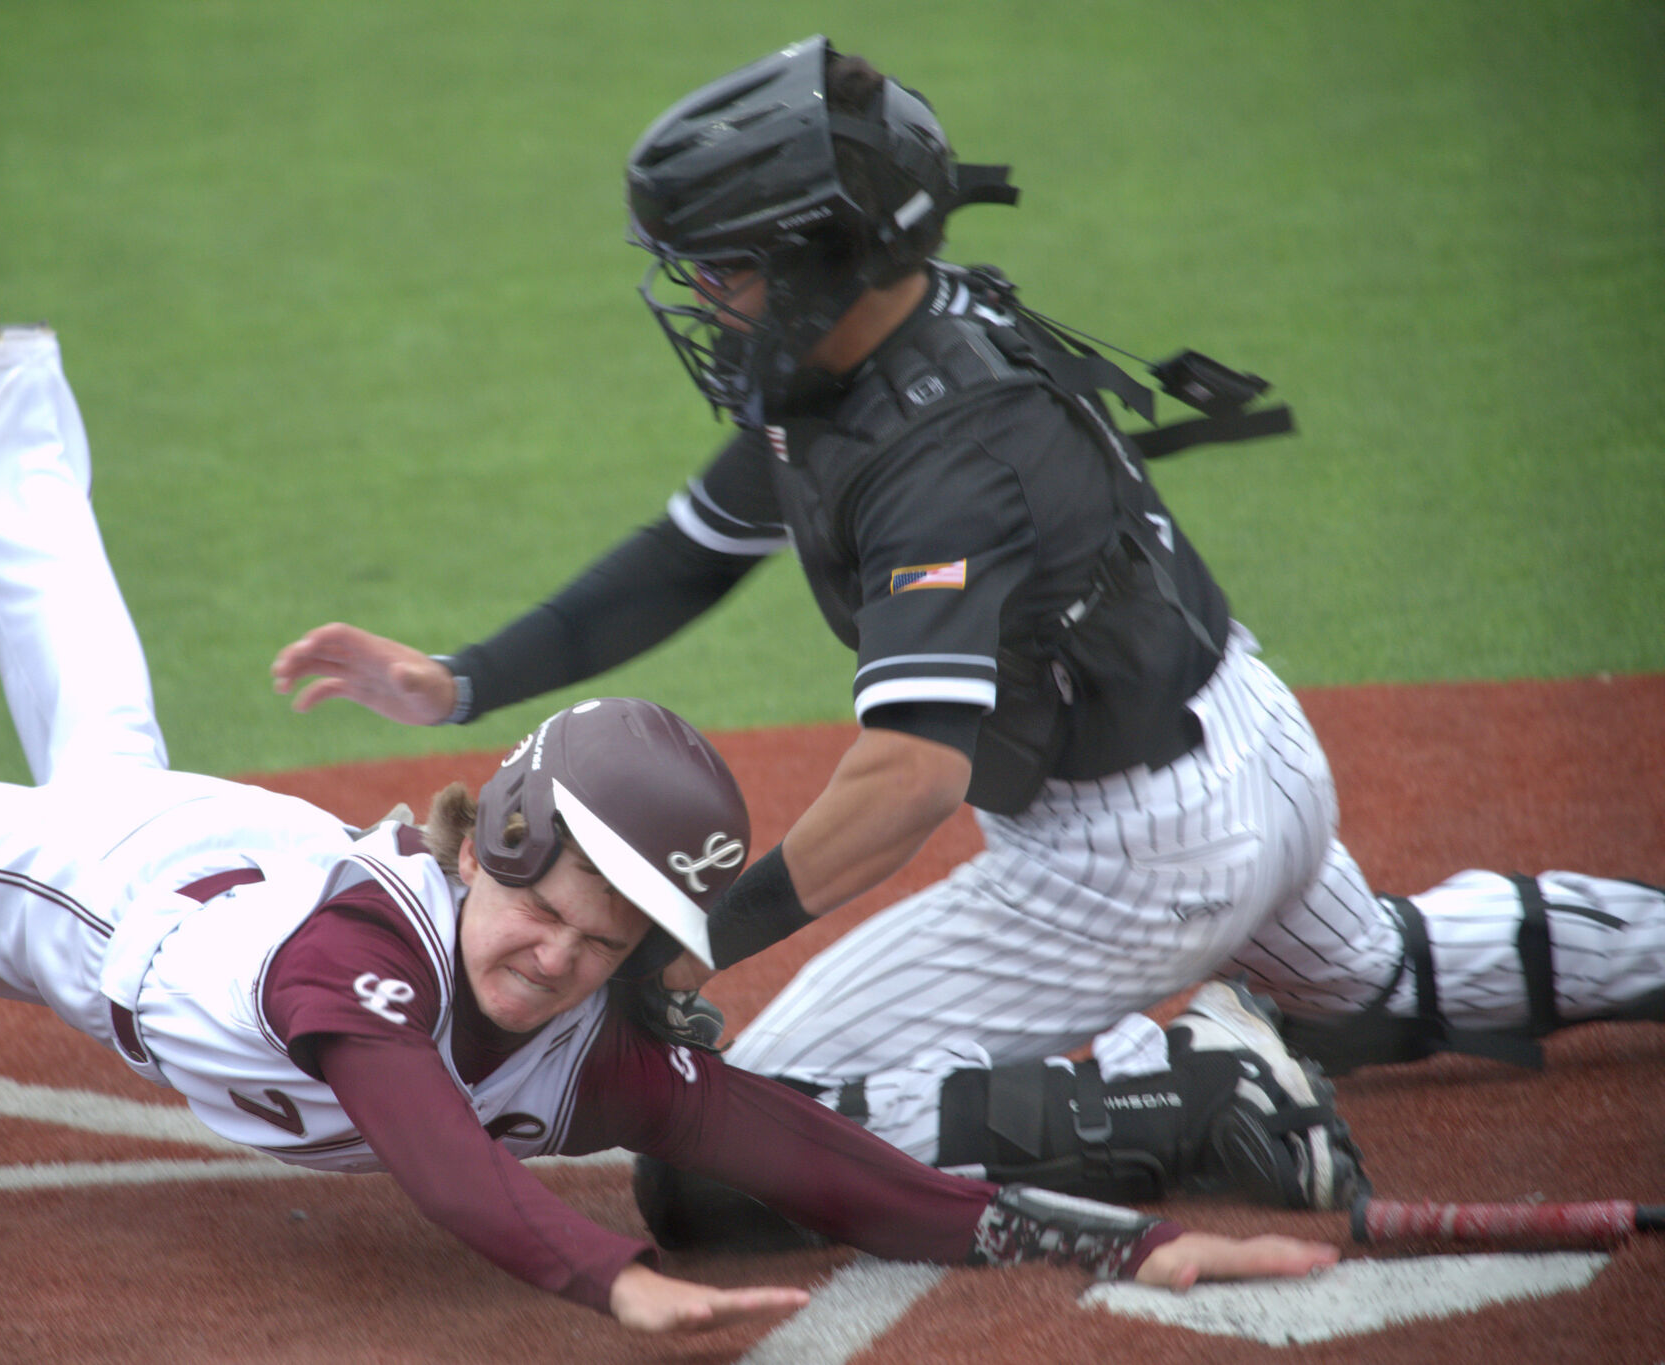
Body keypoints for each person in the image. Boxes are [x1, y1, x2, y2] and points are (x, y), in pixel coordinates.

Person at [271, 36, 1665, 1241]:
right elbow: (695, 551)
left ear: (825, 257)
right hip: (1246, 749)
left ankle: (1193, 1087)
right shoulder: (869, 348)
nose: (708, 294)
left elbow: (909, 778)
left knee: (728, 1155)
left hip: (1134, 852)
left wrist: (689, 945)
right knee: (1377, 981)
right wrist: (462, 677)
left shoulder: (944, 456)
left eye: (731, 267)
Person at [0, 320, 1338, 1334]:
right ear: (492, 841)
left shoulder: (587, 1030)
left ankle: (20, 410)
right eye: (553, 905)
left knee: (108, 750)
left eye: (611, 940)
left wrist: (1146, 1240)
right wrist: (604, 1275)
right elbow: (438, 1157)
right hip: (83, 903)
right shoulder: (357, 965)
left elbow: (821, 1159)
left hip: (205, 841)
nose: (563, 958)